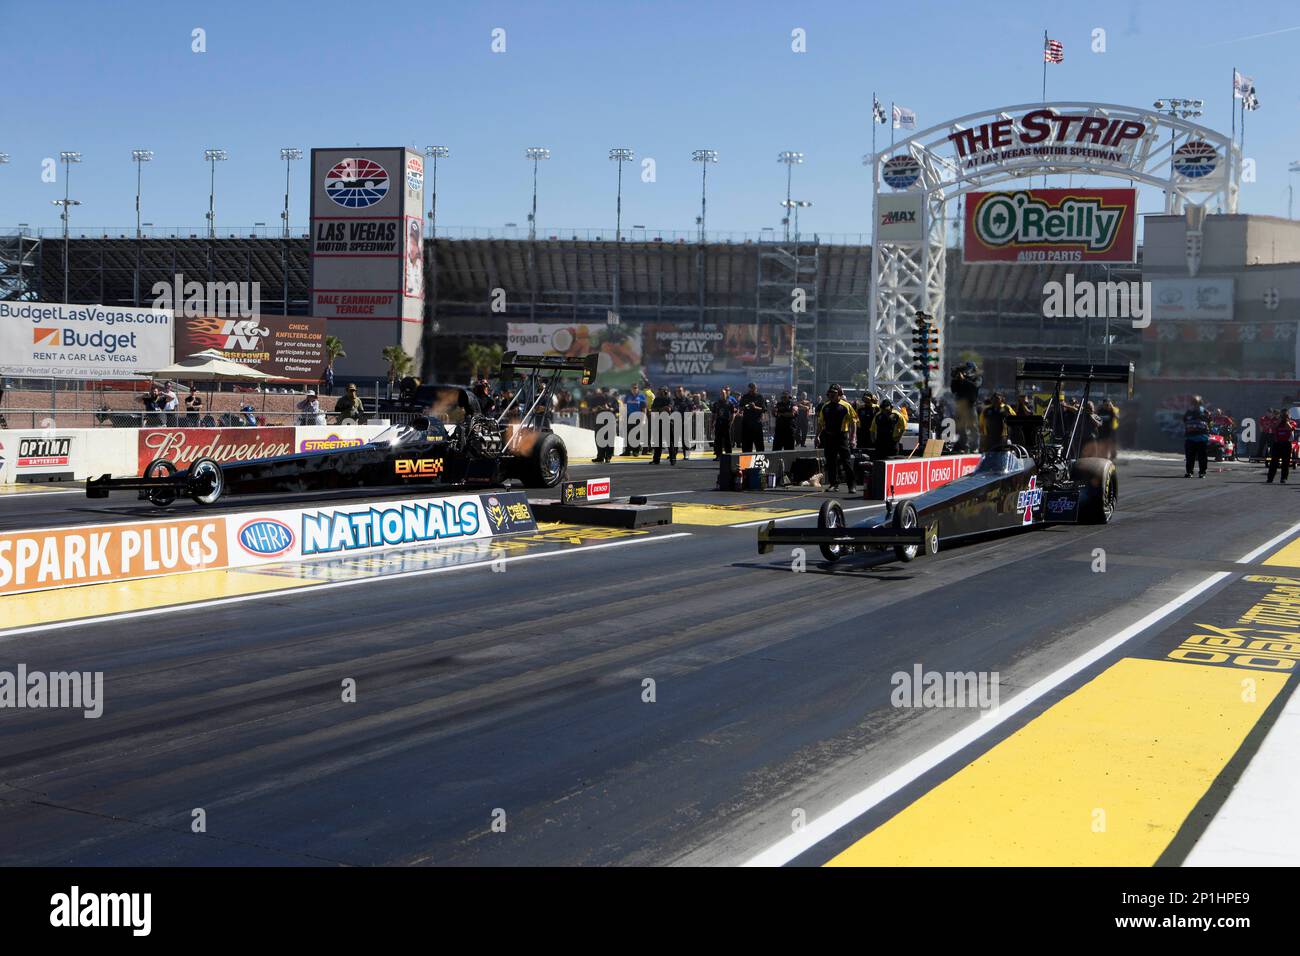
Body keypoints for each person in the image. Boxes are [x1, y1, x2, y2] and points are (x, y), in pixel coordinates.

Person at [815, 384, 858, 493]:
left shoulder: (846, 406)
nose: (832, 395)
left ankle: (851, 485)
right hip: (829, 436)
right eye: (830, 393)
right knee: (831, 462)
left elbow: (853, 422)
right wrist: (817, 436)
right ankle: (834, 484)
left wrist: (853, 438)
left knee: (846, 462)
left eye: (834, 393)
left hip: (842, 436)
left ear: (839, 394)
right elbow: (820, 423)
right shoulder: (825, 406)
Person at [1183, 395, 1211, 478]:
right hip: (1190, 438)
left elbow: (1210, 421)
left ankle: (1202, 472)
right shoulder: (1188, 412)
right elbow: (1184, 420)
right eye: (1194, 402)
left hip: (1202, 438)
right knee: (1189, 457)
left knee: (1202, 457)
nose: (1195, 404)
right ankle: (1189, 472)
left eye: (1197, 402)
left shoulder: (1205, 412)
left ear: (1200, 403)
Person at [1266, 409, 1295, 484]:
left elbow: (1291, 428)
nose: (1283, 417)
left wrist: (1286, 421)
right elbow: (1272, 427)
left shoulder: (1291, 422)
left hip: (1286, 444)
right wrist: (1279, 421)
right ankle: (1270, 478)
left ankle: (1283, 478)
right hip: (1277, 443)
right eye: (1282, 415)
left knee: (1285, 462)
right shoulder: (1277, 422)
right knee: (1274, 462)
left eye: (1285, 415)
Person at [650, 387, 677, 465]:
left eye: (661, 391)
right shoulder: (656, 400)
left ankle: (673, 459)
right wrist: (662, 409)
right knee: (657, 442)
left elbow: (669, 409)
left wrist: (660, 409)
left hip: (668, 422)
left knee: (670, 442)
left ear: (665, 391)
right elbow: (653, 410)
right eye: (659, 391)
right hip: (658, 422)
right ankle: (656, 459)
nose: (659, 392)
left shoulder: (669, 399)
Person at [737, 382, 767, 453]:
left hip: (757, 423)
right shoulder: (745, 397)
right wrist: (746, 406)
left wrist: (755, 407)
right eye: (750, 388)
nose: (752, 390)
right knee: (746, 446)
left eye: (753, 388)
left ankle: (760, 458)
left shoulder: (760, 397)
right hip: (747, 423)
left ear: (756, 388)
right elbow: (740, 408)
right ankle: (746, 458)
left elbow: (764, 409)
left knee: (759, 446)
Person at [624, 383, 648, 455]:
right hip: (629, 417)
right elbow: (624, 407)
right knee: (627, 433)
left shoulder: (641, 397)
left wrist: (643, 419)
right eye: (633, 388)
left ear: (638, 389)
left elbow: (644, 409)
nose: (634, 389)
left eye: (636, 388)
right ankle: (627, 451)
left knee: (636, 434)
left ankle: (636, 450)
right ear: (631, 389)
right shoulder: (627, 396)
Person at [711, 387, 735, 459]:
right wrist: (712, 423)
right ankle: (718, 455)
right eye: (721, 394)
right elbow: (713, 414)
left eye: (724, 394)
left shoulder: (730, 403)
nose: (722, 395)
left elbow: (732, 413)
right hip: (718, 423)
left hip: (726, 423)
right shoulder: (716, 403)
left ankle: (729, 455)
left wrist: (731, 422)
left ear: (726, 394)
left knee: (727, 439)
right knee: (718, 440)